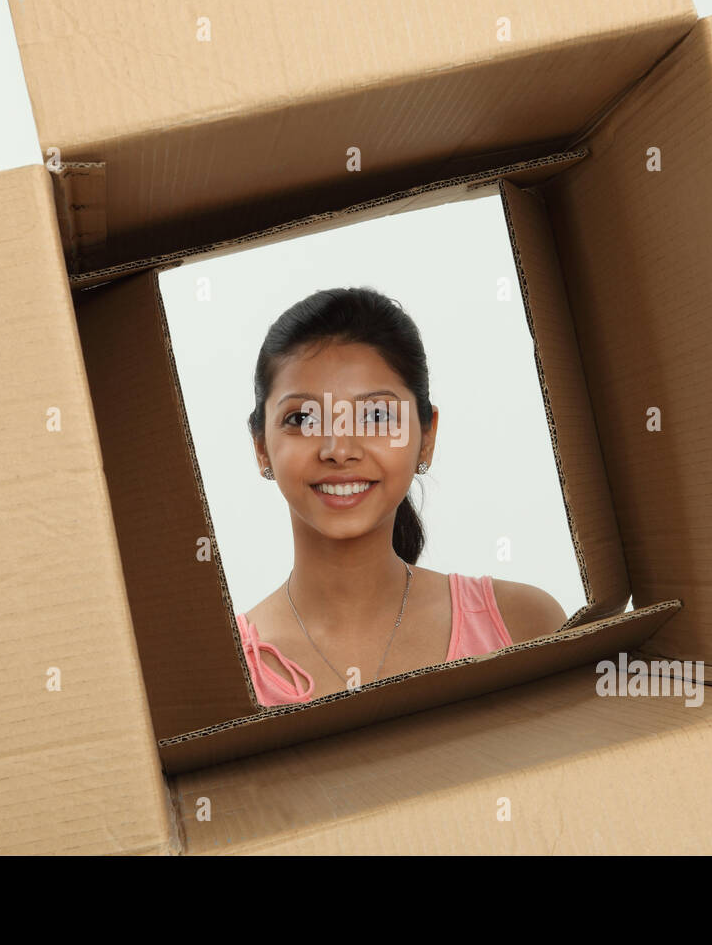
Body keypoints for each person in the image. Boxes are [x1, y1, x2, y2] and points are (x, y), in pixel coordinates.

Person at [239, 286, 568, 705]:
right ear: (261, 447)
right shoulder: (225, 674)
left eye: (377, 415)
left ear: (426, 436)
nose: (340, 450)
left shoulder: (523, 624)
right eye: (303, 418)